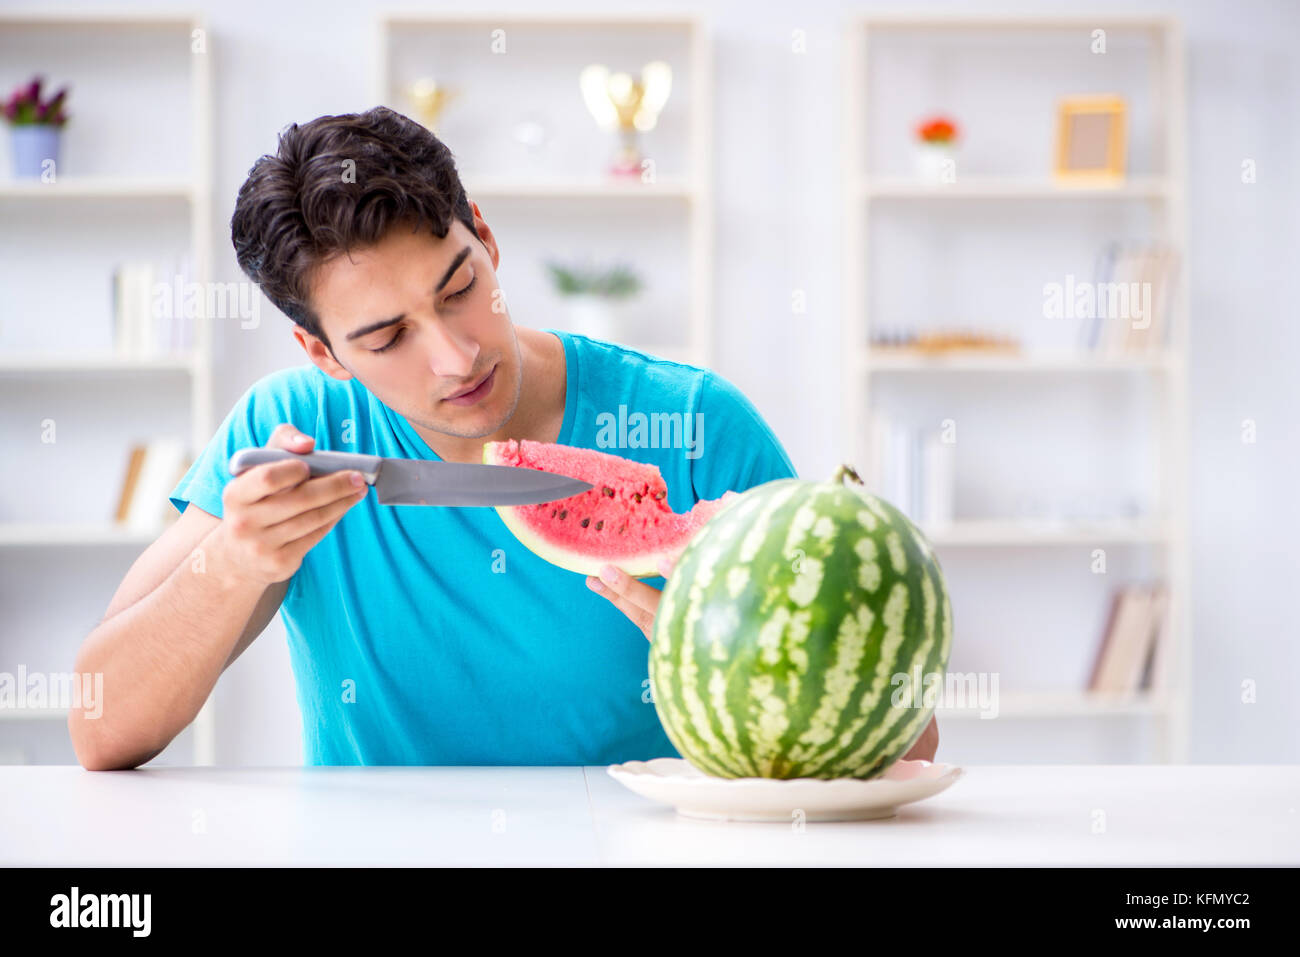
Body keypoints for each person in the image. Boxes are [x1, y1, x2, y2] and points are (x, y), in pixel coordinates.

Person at [69, 106, 936, 769]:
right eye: (386, 337)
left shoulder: (696, 424)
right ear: (323, 352)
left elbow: (909, 745)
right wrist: (232, 564)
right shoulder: (290, 440)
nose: (455, 355)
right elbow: (99, 728)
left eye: (458, 288)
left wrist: (741, 664)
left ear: (484, 235)